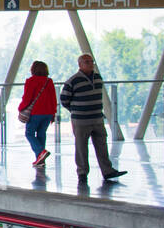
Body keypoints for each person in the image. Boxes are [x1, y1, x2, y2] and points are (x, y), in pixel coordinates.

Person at [61, 54, 127, 184]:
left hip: (97, 118)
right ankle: (82, 173)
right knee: (81, 147)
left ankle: (107, 171)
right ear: (80, 65)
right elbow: (64, 100)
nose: (91, 64)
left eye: (92, 62)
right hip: (81, 121)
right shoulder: (72, 81)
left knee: (102, 145)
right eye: (87, 62)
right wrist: (77, 110)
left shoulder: (98, 78)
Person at [17, 60, 58, 168]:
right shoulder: (49, 81)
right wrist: (53, 113)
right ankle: (40, 159)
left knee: (29, 133)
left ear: (33, 69)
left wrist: (20, 108)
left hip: (35, 112)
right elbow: (53, 98)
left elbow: (27, 98)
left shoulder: (31, 81)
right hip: (48, 112)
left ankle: (40, 152)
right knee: (41, 133)